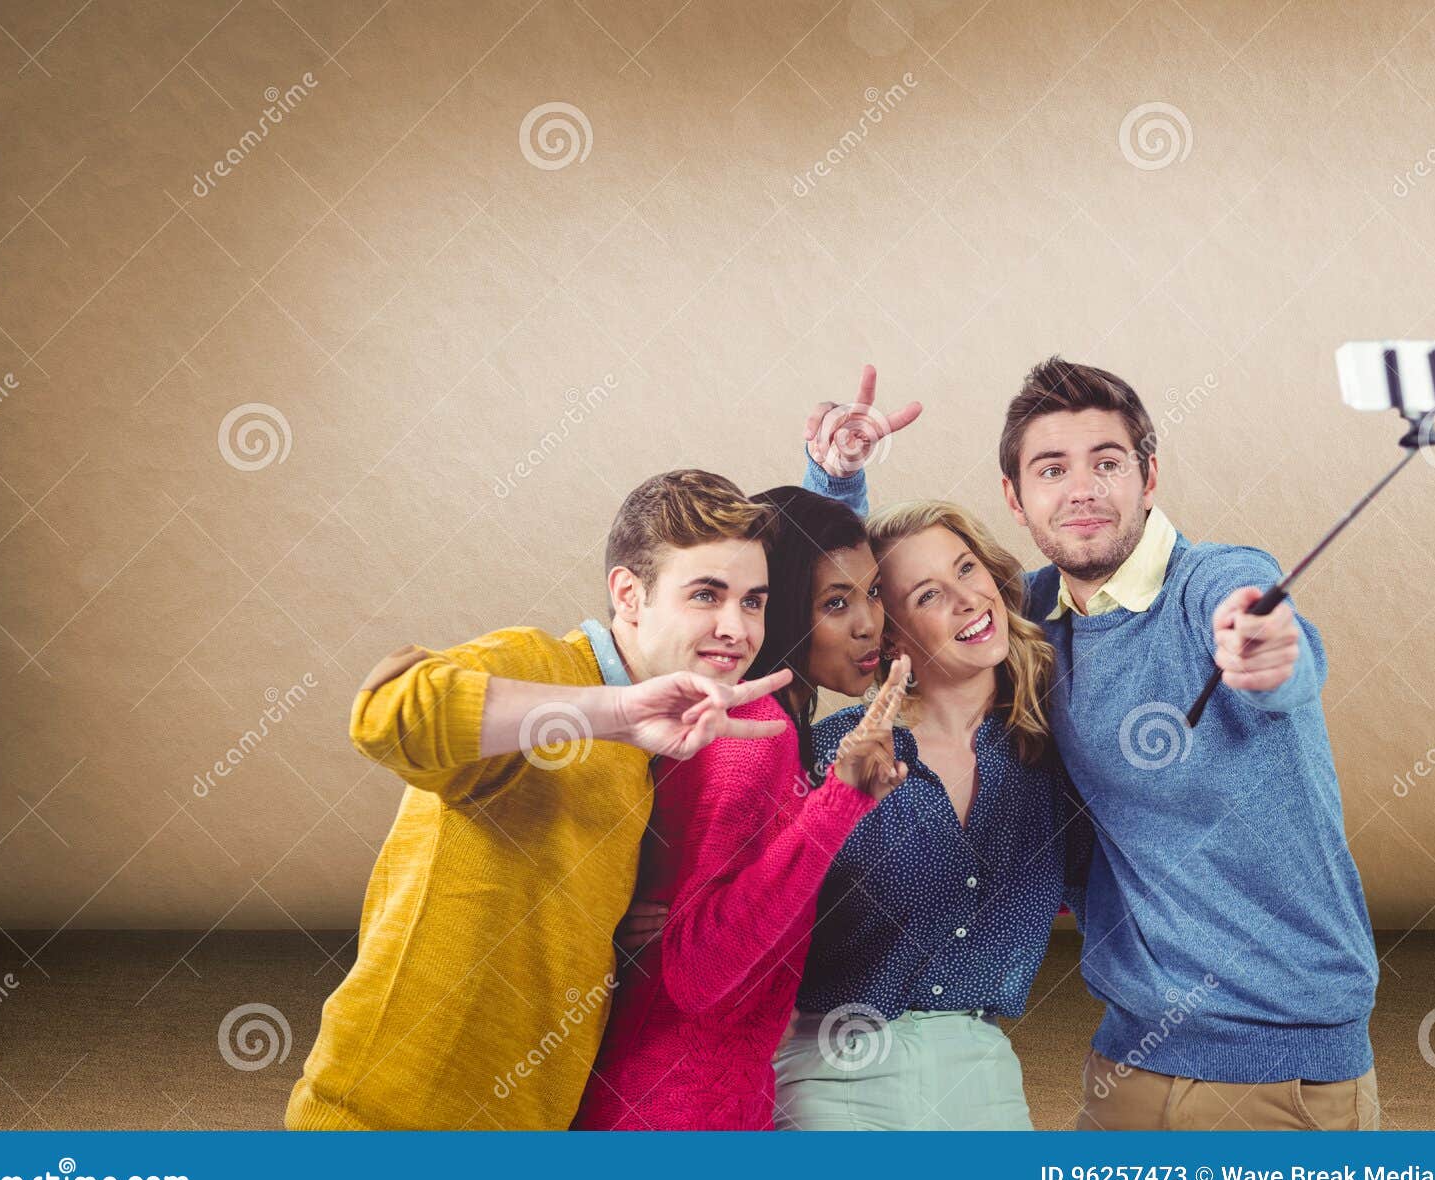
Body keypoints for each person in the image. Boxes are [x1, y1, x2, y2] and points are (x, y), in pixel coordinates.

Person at [805, 360, 1380, 1131]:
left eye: (1106, 462)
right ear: (1015, 497)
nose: (1082, 488)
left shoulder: (1213, 582)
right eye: (1052, 468)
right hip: (1128, 1064)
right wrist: (838, 483)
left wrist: (1270, 651)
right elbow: (884, 593)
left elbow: (1272, 634)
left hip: (1280, 1073)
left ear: (1148, 476)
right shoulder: (1028, 619)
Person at [285, 469, 795, 1131]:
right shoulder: (542, 664)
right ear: (629, 595)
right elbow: (387, 713)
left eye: (752, 601)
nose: (737, 627)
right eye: (706, 593)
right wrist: (609, 709)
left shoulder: (651, 755)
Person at [574, 487, 910, 1130]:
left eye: (871, 592)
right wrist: (842, 800)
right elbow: (701, 971)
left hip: (706, 1098)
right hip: (669, 1108)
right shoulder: (752, 736)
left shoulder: (748, 719)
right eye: (835, 603)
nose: (869, 622)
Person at [770, 497, 1092, 1130]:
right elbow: (760, 887)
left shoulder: (1056, 753)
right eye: (926, 595)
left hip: (982, 1068)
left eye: (966, 569)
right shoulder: (827, 752)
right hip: (835, 1069)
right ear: (890, 632)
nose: (966, 599)